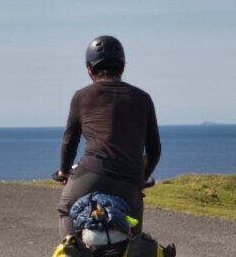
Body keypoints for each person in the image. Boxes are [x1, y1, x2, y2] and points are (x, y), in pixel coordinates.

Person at [53, 35, 162, 240]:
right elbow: (154, 150)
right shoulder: (143, 98)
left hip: (91, 174)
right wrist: (140, 178)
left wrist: (64, 171)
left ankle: (73, 252)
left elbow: (70, 142)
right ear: (123, 67)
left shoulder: (82, 96)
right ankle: (130, 254)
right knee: (132, 230)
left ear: (89, 69)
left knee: (66, 209)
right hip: (129, 182)